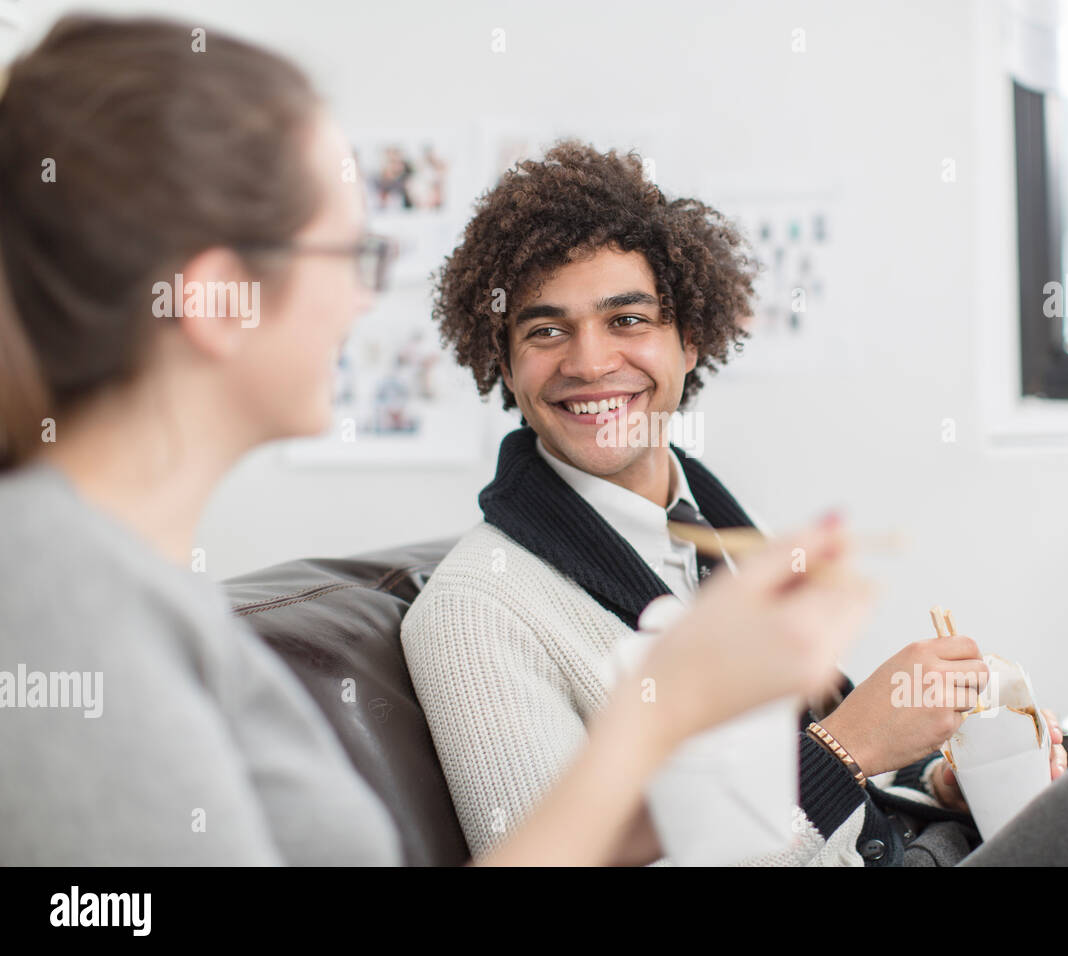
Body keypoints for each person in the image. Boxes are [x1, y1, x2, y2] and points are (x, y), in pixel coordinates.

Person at [0, 14, 870, 867]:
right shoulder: (55, 602)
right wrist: (801, 749)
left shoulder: (122, 582)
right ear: (218, 300)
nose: (361, 303)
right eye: (349, 257)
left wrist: (677, 726)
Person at [403, 140, 1068, 868]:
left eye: (628, 320)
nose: (591, 361)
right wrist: (844, 752)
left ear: (689, 340)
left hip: (925, 847)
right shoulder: (478, 613)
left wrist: (933, 778)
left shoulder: (704, 528)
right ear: (504, 363)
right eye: (545, 329)